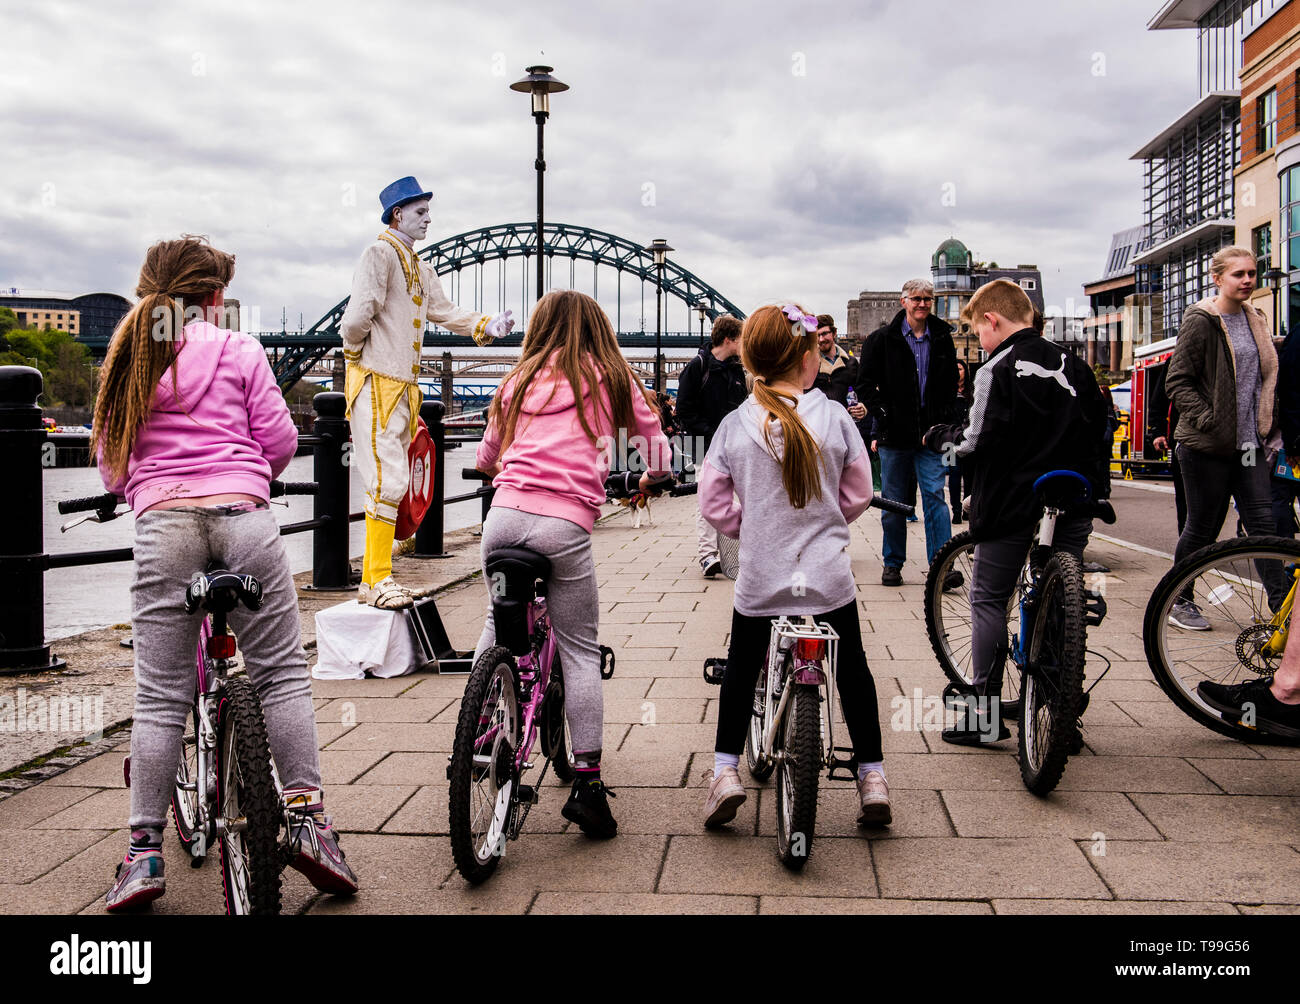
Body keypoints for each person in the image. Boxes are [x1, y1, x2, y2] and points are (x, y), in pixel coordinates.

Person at [92, 237, 358, 911]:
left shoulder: (129, 351)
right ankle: (309, 823)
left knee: (158, 698)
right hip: (244, 519)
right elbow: (279, 441)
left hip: (165, 529)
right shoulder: (239, 349)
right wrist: (243, 475)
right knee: (279, 673)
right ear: (215, 298)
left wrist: (150, 488)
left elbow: (110, 463)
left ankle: (142, 855)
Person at [473, 290, 672, 838]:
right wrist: (658, 473)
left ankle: (479, 734)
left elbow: (488, 453)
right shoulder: (611, 375)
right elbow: (656, 450)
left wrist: (491, 465)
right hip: (565, 525)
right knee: (580, 649)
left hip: (503, 519)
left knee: (495, 625)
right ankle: (587, 783)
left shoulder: (520, 378)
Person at [698, 303, 891, 828]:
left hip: (762, 578)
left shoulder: (737, 424)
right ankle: (871, 777)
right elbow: (859, 492)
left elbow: (712, 504)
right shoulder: (831, 416)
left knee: (741, 666)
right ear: (808, 359)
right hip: (827, 580)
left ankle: (725, 772)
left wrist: (750, 525)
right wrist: (830, 518)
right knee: (853, 669)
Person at [923, 280, 1109, 745]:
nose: (980, 341)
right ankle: (1063, 713)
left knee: (988, 599)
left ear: (992, 320)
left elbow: (973, 441)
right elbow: (1099, 437)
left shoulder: (996, 368)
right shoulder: (1077, 367)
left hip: (1013, 500)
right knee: (1062, 599)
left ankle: (984, 718)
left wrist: (936, 436)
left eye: (978, 330)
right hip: (1072, 497)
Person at [341, 176, 514, 610]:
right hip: (380, 382)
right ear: (398, 214)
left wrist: (484, 325)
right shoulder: (380, 253)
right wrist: (355, 354)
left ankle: (375, 576)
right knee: (387, 478)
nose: (428, 219)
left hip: (402, 386)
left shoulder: (419, 265)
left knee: (392, 478)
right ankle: (376, 577)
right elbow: (356, 318)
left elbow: (442, 310)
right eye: (420, 211)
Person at [1164, 247, 1287, 629]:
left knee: (1264, 526)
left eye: (1252, 273)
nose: (1248, 280)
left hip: (1249, 447)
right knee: (1202, 527)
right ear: (1217, 278)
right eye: (1239, 274)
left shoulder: (1256, 319)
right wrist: (1210, 419)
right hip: (1207, 447)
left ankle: (1282, 610)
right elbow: (1177, 381)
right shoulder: (1201, 320)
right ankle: (1178, 600)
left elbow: (1263, 381)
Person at [857, 278, 958, 586]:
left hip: (932, 436)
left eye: (928, 299)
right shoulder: (881, 340)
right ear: (904, 301)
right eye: (916, 298)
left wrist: (945, 422)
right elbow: (863, 384)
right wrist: (883, 414)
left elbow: (952, 384)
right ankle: (893, 563)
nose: (922, 304)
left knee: (935, 498)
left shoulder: (942, 337)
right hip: (894, 436)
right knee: (893, 502)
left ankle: (942, 566)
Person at [675, 314, 747, 576]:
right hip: (702, 444)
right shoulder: (698, 366)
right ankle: (707, 555)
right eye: (740, 339)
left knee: (742, 496)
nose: (743, 344)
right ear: (729, 339)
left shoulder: (737, 369)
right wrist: (711, 433)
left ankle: (741, 551)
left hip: (734, 445)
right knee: (707, 497)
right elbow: (683, 410)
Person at [948, 360, 971, 523]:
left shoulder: (973, 391)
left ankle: (967, 508)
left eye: (960, 369)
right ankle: (956, 509)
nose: (958, 372)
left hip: (970, 439)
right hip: (950, 441)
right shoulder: (947, 391)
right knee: (954, 474)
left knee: (970, 476)